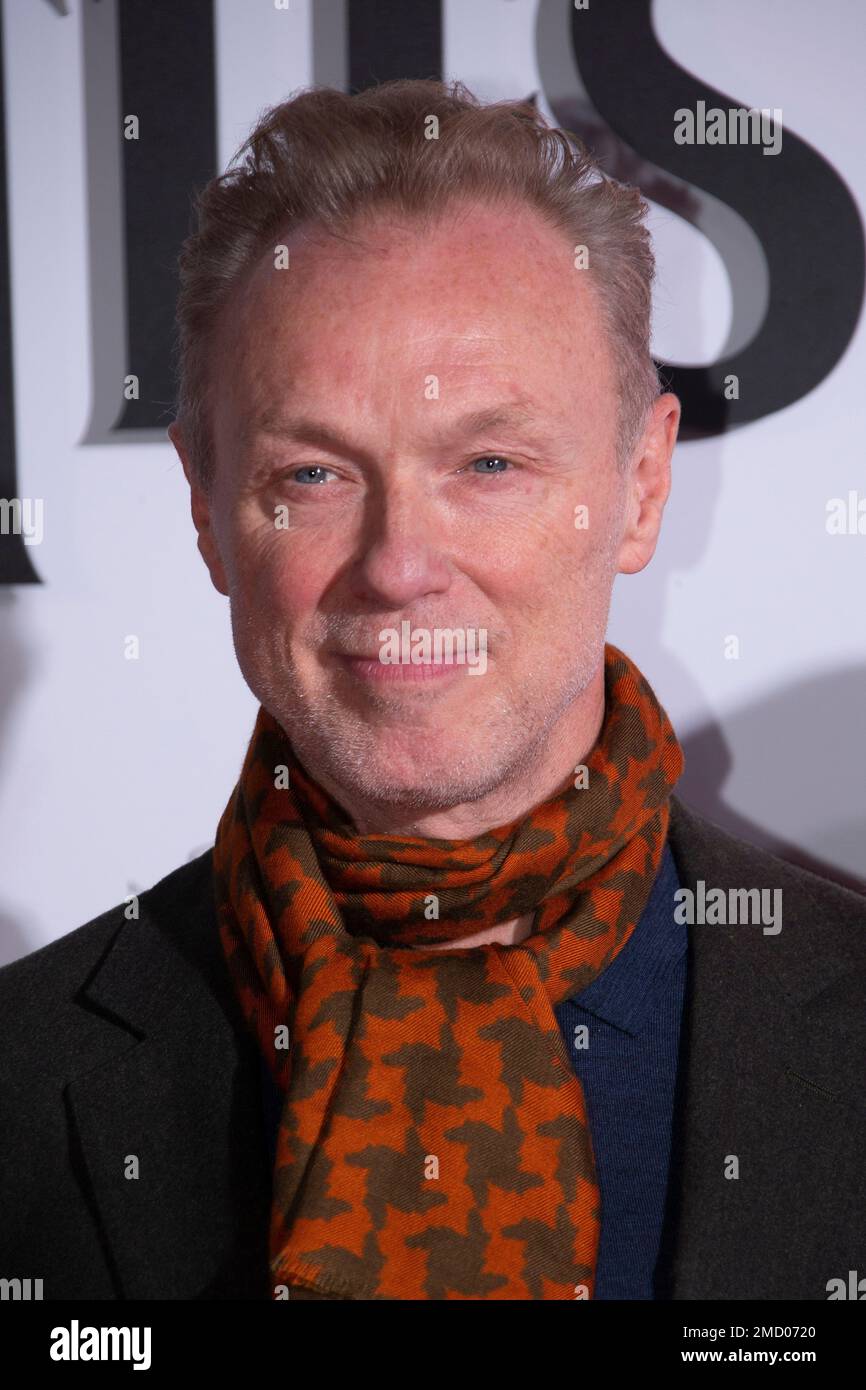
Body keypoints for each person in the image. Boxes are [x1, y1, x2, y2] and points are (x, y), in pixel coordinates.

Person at [1, 79, 863, 1302]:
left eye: (489, 463)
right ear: (205, 508)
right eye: (312, 471)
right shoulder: (21, 1081)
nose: (399, 565)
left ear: (643, 483)